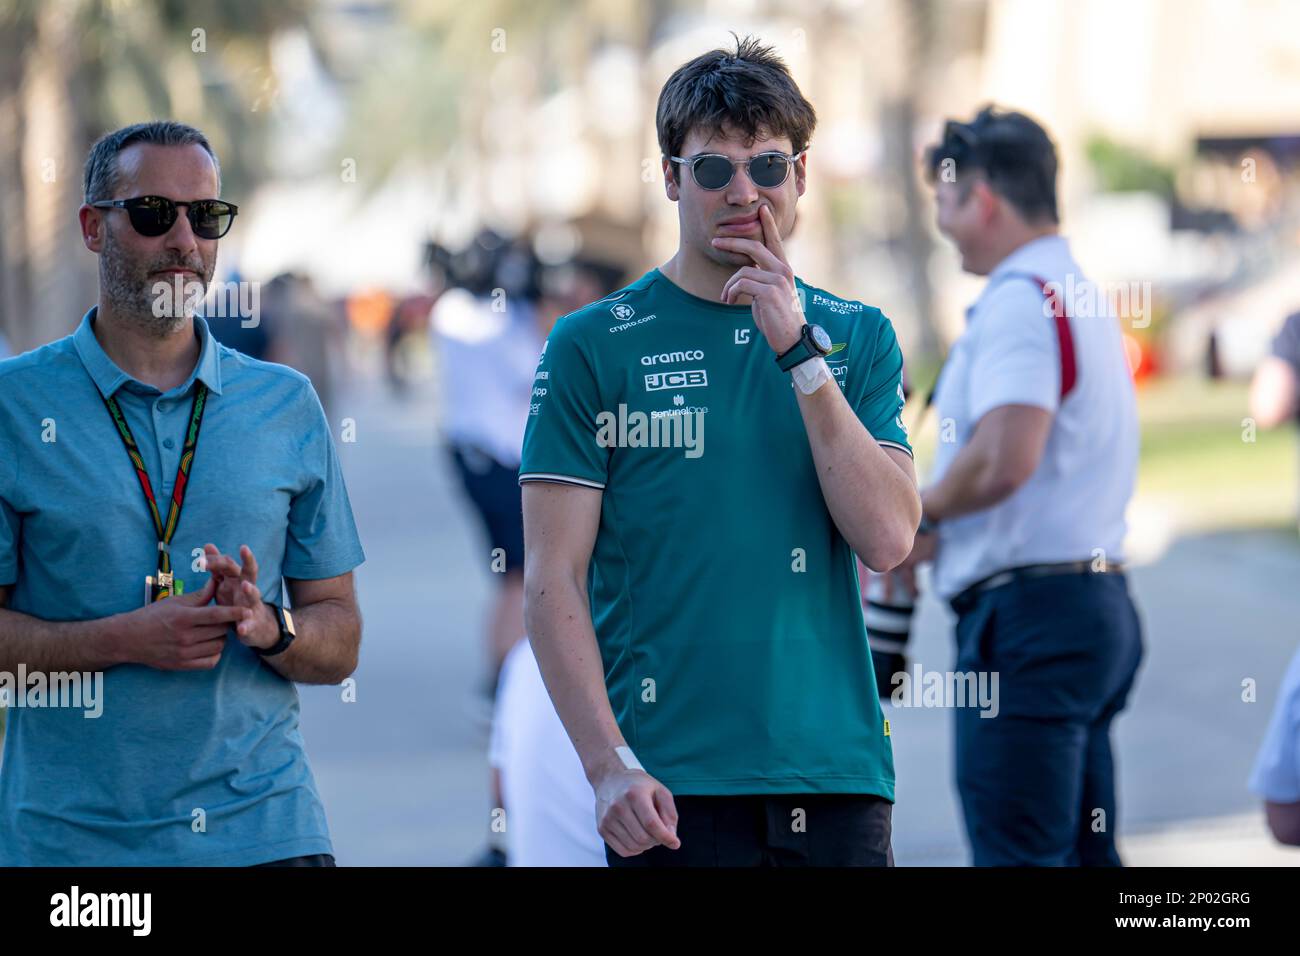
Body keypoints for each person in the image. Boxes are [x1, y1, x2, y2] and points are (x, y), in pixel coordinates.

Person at [520, 36, 919, 867]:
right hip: (671, 791)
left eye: (768, 166)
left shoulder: (856, 335)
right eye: (713, 170)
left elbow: (887, 539)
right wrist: (606, 768)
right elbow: (550, 576)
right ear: (672, 178)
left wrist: (799, 356)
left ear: (801, 175)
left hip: (835, 778)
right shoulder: (593, 344)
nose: (745, 192)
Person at [0, 121, 366, 866]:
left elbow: (342, 638)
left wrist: (270, 626)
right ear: (93, 229)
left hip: (266, 832)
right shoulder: (13, 405)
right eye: (152, 214)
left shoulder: (285, 404)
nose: (183, 241)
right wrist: (123, 639)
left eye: (204, 216)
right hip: (70, 849)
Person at [895, 107, 1143, 866]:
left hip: (1029, 627)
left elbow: (1007, 456)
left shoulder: (1017, 298)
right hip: (1083, 610)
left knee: (1018, 857)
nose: (942, 222)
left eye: (945, 201)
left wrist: (907, 512)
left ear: (983, 199)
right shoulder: (1073, 289)